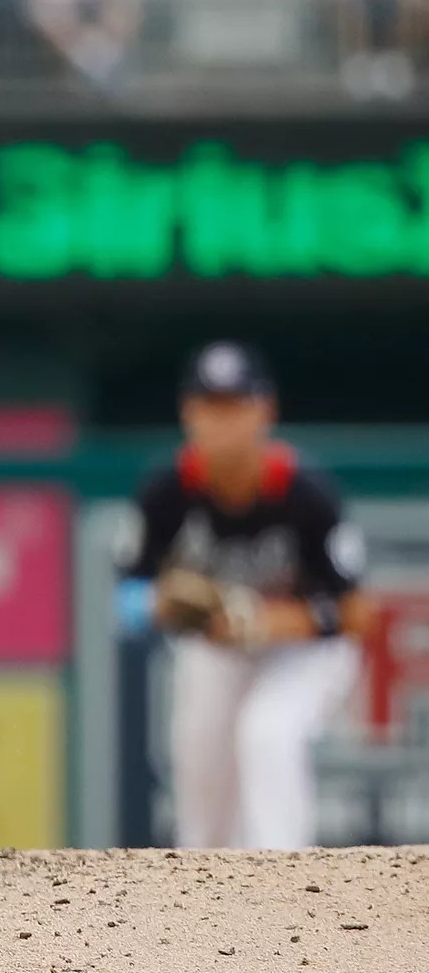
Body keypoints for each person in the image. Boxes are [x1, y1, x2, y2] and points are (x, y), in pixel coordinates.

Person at [120, 343, 371, 849]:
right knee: (201, 755)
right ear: (188, 412)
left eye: (235, 405)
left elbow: (357, 612)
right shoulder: (166, 493)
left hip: (301, 652)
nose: (222, 421)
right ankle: (205, 893)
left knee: (268, 732)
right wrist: (164, 605)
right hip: (216, 647)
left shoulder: (305, 494)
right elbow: (126, 597)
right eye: (210, 406)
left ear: (265, 410)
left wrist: (267, 621)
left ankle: (287, 882)